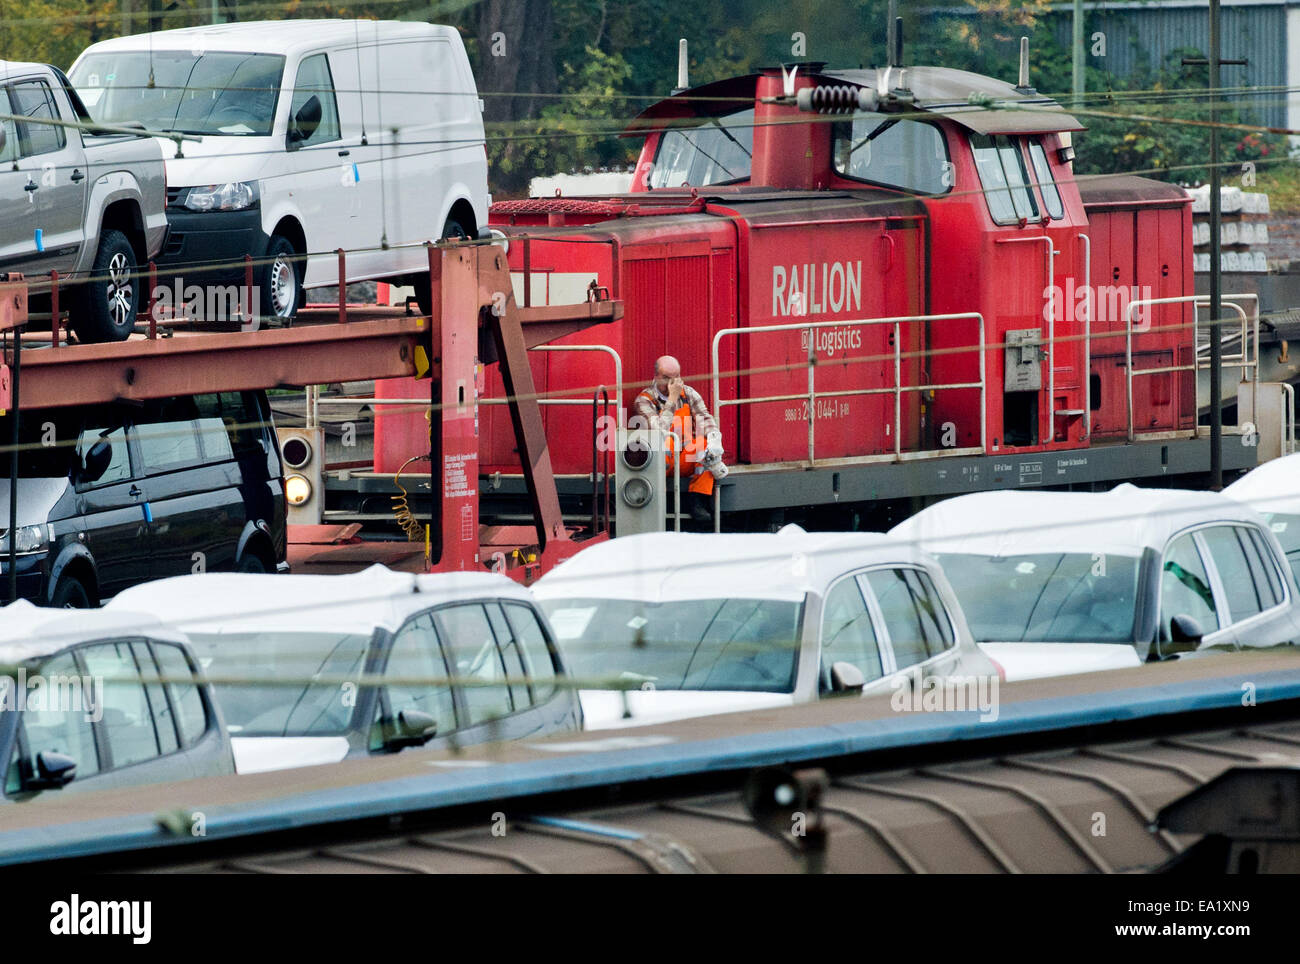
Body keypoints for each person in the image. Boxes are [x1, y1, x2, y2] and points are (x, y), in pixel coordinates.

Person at [632, 355, 726, 524]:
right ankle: (658, 506)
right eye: (667, 378)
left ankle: (698, 502)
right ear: (656, 376)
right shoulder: (644, 400)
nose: (673, 383)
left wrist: (714, 439)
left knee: (703, 445)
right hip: (661, 464)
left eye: (676, 378)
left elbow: (704, 418)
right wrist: (672, 400)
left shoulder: (689, 393)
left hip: (684, 459)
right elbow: (659, 431)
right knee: (664, 442)